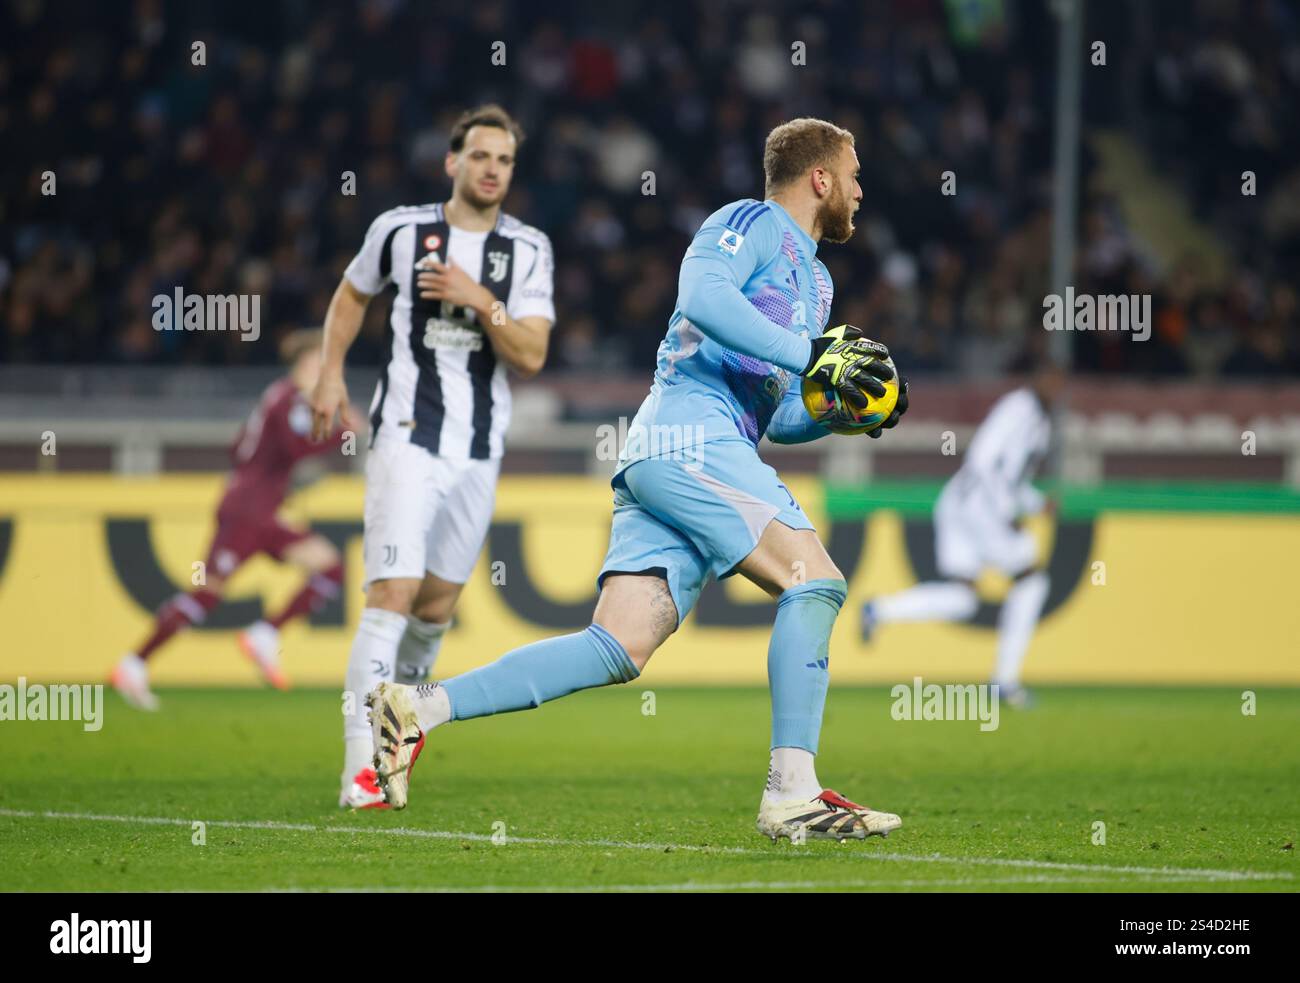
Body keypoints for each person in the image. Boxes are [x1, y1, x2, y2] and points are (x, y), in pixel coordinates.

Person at [366, 117, 911, 841]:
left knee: (617, 645)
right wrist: (813, 352)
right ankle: (791, 792)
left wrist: (837, 413)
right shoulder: (749, 222)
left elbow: (775, 411)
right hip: (690, 433)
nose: (860, 189)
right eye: (854, 172)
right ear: (821, 178)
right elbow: (703, 300)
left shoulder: (814, 278)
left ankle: (416, 706)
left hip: (690, 448)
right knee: (815, 579)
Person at [309, 105, 555, 809]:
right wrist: (330, 371)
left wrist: (482, 300)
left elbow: (532, 353)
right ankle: (362, 767)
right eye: (479, 156)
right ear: (452, 162)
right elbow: (351, 295)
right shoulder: (399, 229)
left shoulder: (529, 249)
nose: (491, 170)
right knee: (391, 591)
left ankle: (395, 746)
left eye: (504, 160)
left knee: (436, 605)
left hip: (479, 449)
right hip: (406, 434)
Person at [109, 329, 352, 710]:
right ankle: (134, 663)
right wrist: (342, 435)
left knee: (330, 567)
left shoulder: (277, 397)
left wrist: (270, 477)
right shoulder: (289, 399)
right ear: (304, 365)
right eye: (318, 364)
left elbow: (239, 447)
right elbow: (295, 447)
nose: (323, 373)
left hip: (257, 510)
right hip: (247, 513)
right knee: (206, 594)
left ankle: (265, 634)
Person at [860, 361, 1065, 707]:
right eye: (1049, 377)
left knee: (963, 598)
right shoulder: (1019, 409)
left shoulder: (1040, 422)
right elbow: (983, 458)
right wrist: (1006, 510)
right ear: (1037, 378)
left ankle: (879, 610)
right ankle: (1004, 680)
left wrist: (1035, 502)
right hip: (978, 507)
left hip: (958, 502)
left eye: (1059, 380)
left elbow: (1011, 478)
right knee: (1032, 580)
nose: (1053, 386)